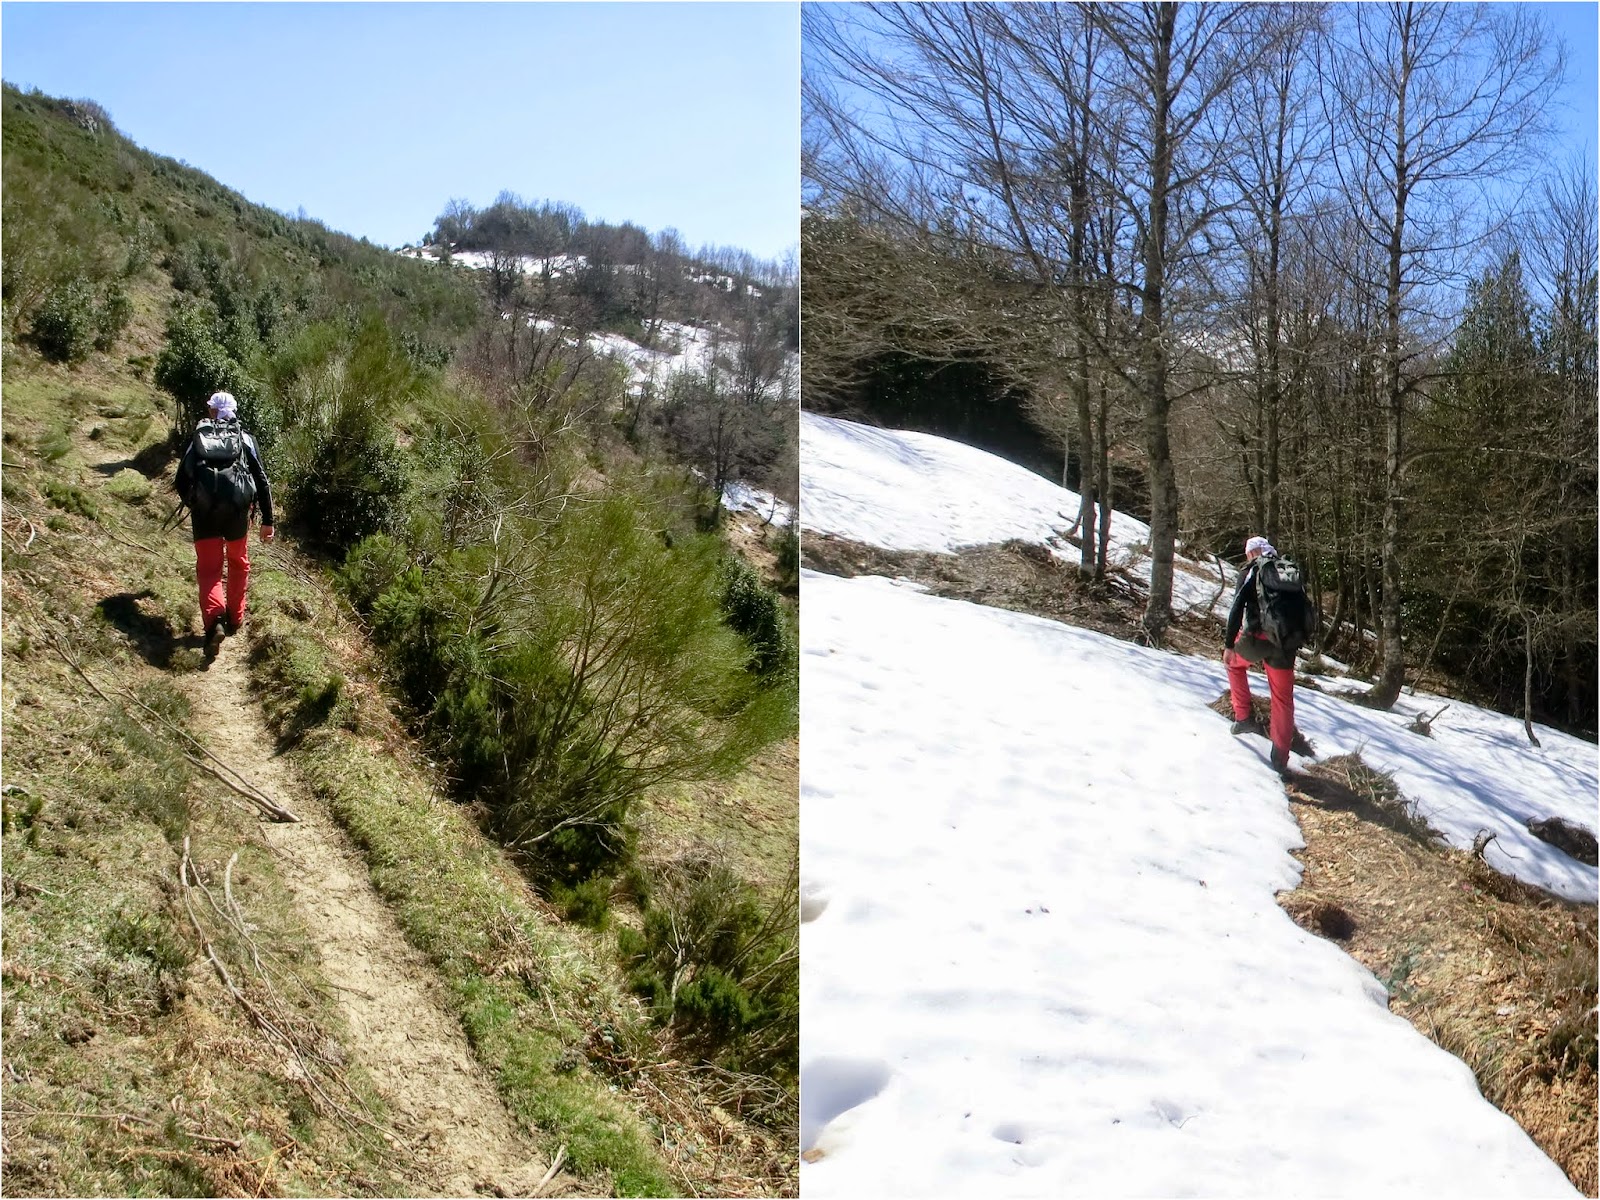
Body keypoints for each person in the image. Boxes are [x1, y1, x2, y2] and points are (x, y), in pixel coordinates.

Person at [175, 391, 274, 651]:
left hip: (205, 515)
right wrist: (268, 520)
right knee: (238, 563)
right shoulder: (245, 438)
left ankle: (214, 622)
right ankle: (235, 617)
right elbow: (261, 480)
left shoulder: (199, 436)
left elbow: (180, 479)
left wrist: (196, 504)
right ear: (233, 410)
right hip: (237, 513)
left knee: (209, 569)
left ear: (212, 410)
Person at [1223, 535, 1298, 776]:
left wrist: (1229, 644)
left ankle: (1243, 716)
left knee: (1233, 664)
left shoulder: (1252, 571)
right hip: (1286, 643)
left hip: (1258, 638)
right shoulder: (1288, 570)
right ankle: (1280, 756)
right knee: (1282, 699)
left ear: (1253, 552)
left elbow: (1237, 607)